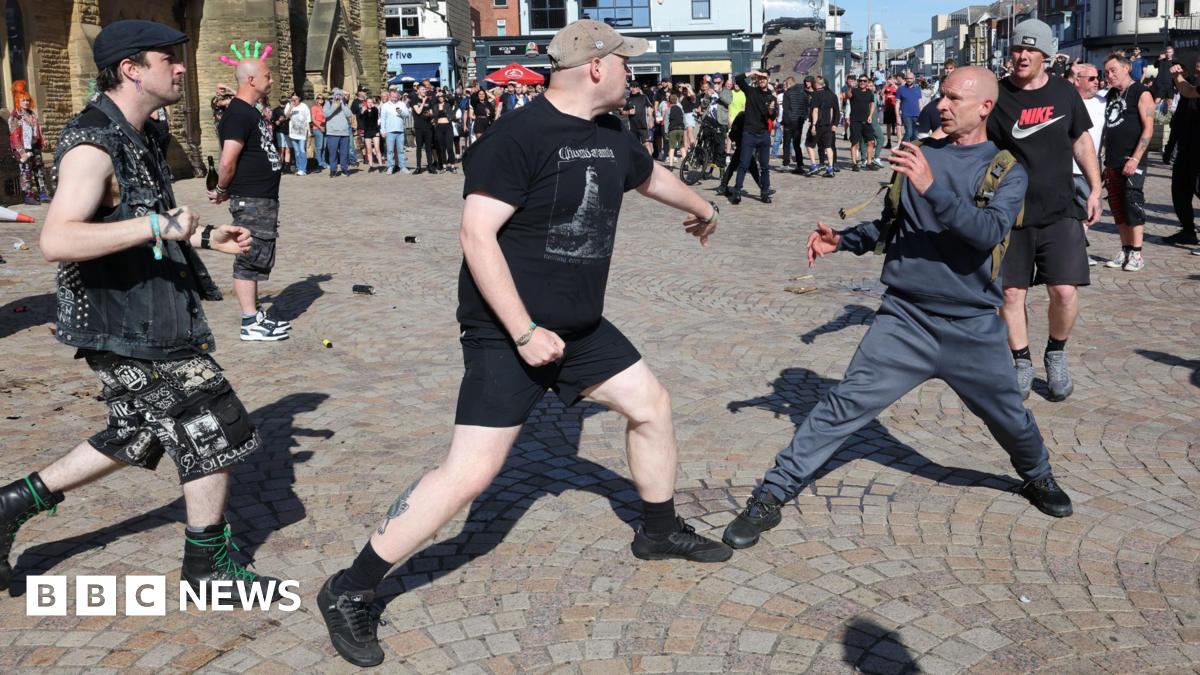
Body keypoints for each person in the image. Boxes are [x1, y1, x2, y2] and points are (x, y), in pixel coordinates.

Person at [316, 20, 730, 667]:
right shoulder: (515, 138)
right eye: (626, 63)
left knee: (651, 405)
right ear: (597, 67)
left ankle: (657, 531)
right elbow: (476, 235)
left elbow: (650, 177)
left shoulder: (610, 137)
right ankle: (351, 586)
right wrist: (523, 331)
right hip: (507, 332)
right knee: (471, 473)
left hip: (580, 329)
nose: (633, 74)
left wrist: (703, 208)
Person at [722, 66, 1074, 552]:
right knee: (843, 405)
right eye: (941, 95)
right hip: (905, 319)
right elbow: (892, 228)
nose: (942, 105)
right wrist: (843, 241)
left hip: (972, 326)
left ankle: (1038, 475)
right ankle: (771, 495)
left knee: (1009, 417)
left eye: (954, 98)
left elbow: (987, 232)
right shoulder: (918, 156)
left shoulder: (1006, 170)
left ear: (985, 108)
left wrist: (932, 187)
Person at [3, 19, 279, 601]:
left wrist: (203, 238)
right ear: (131, 69)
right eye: (167, 59)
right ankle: (207, 569)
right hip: (122, 320)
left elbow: (150, 217)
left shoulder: (146, 132)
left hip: (153, 309)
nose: (181, 68)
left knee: (136, 434)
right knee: (215, 426)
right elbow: (57, 239)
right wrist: (157, 225)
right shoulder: (92, 144)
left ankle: (11, 504)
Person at [987, 19, 1100, 404]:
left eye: (1030, 50)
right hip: (1010, 213)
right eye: (1017, 49)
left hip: (1060, 208)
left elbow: (1081, 141)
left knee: (1065, 291)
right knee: (1010, 293)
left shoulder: (1064, 93)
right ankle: (1020, 361)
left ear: (1045, 55)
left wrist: (1096, 188)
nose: (1021, 56)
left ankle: (1056, 353)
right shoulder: (997, 95)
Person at [210, 57, 291, 342]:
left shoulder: (249, 111)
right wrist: (221, 189)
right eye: (268, 76)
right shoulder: (237, 114)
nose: (272, 80)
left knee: (259, 253)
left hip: (262, 198)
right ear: (252, 80)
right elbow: (227, 160)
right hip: (251, 199)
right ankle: (249, 321)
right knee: (248, 255)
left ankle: (255, 315)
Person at [1100, 53, 1155, 272]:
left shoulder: (1142, 93)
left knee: (1133, 204)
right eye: (1106, 72)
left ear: (1127, 68)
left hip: (1132, 160)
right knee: (1117, 207)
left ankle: (1137, 253)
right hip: (1112, 160)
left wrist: (1136, 158)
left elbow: (1148, 129)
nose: (1109, 75)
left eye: (1113, 70)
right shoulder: (1112, 94)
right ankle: (1125, 249)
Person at [1070, 63, 1106, 266]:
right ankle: (1075, 252)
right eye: (1091, 78)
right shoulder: (1065, 100)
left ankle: (1078, 251)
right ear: (1078, 80)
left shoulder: (1103, 102)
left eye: (1097, 77)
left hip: (1086, 169)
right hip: (1064, 168)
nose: (1096, 81)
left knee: (1086, 213)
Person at [1165, 61, 1200, 249]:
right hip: (1188, 148)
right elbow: (1188, 91)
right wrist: (1176, 76)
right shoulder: (1195, 87)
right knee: (1179, 189)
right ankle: (1188, 231)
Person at [728, 69, 775, 205]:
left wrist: (771, 110)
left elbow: (772, 117)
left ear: (768, 79)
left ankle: (765, 193)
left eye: (764, 78)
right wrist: (752, 72)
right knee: (743, 164)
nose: (762, 80)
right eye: (760, 78)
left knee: (765, 166)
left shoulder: (771, 97)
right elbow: (738, 78)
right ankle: (737, 192)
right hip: (749, 134)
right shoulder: (751, 91)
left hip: (764, 135)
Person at [8, 92, 50, 205]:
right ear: (18, 101)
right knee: (26, 171)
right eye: (23, 100)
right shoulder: (15, 116)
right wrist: (21, 152)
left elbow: (38, 129)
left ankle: (42, 193)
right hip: (24, 148)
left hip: (35, 146)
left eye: (27, 100)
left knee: (39, 170)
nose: (26, 102)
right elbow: (14, 136)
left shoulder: (31, 114)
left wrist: (42, 140)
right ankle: (28, 196)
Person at [808, 76, 840, 178]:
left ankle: (814, 166)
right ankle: (830, 168)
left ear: (816, 84)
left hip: (818, 124)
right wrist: (834, 123)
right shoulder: (832, 95)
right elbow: (835, 111)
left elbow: (815, 110)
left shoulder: (815, 95)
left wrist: (813, 125)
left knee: (809, 145)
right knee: (828, 146)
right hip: (828, 125)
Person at [847, 75, 877, 171]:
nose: (862, 82)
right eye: (860, 81)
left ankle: (869, 162)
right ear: (858, 81)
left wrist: (870, 115)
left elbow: (872, 104)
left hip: (866, 120)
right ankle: (854, 163)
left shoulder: (869, 92)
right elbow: (848, 96)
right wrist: (850, 87)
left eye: (864, 81)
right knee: (855, 142)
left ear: (867, 82)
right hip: (855, 120)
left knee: (871, 141)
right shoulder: (854, 91)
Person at [380, 89, 411, 175]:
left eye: (396, 97)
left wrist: (401, 112)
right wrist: (383, 130)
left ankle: (402, 167)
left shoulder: (401, 104)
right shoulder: (385, 106)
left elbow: (407, 115)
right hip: (389, 131)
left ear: (398, 96)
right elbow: (383, 119)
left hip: (400, 130)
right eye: (393, 97)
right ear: (389, 96)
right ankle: (390, 167)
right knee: (390, 151)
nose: (394, 98)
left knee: (400, 150)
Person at [323, 89, 353, 176]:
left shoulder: (345, 104)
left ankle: (344, 169)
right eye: (337, 95)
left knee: (344, 153)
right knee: (333, 153)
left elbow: (349, 114)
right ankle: (333, 170)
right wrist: (334, 106)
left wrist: (342, 104)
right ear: (334, 96)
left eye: (340, 95)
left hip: (344, 133)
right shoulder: (328, 103)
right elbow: (326, 114)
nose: (338, 96)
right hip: (332, 133)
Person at [409, 83, 437, 174]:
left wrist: (430, 114)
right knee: (419, 148)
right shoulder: (414, 99)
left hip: (428, 126)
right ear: (418, 91)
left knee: (429, 147)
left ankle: (430, 166)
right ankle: (418, 167)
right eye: (422, 89)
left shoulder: (429, 100)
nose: (424, 91)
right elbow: (418, 111)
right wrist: (423, 101)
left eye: (425, 89)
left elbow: (431, 112)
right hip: (419, 127)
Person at [781, 76, 807, 168]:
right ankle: (800, 164)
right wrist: (803, 118)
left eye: (786, 84)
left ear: (789, 83)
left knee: (786, 143)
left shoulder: (787, 93)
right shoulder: (803, 93)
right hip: (799, 121)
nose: (785, 86)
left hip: (789, 121)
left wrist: (783, 122)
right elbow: (806, 107)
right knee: (797, 143)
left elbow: (785, 109)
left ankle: (786, 163)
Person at [284, 93, 310, 176]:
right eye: (292, 99)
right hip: (293, 133)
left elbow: (308, 120)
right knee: (297, 151)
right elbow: (286, 116)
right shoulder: (289, 105)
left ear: (299, 99)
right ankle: (299, 169)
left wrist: (309, 131)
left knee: (302, 150)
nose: (294, 101)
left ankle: (303, 169)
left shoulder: (304, 106)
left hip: (302, 132)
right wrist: (291, 107)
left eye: (295, 99)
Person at [432, 89, 458, 173]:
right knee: (442, 148)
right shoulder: (435, 106)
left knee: (449, 147)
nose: (440, 98)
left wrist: (444, 93)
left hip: (448, 127)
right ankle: (444, 166)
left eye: (441, 97)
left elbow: (452, 98)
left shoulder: (448, 104)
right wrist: (436, 95)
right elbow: (432, 102)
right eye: (439, 97)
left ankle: (453, 166)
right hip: (439, 127)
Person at [624, 81, 653, 155]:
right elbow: (622, 112)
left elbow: (649, 108)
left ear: (638, 88)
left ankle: (650, 160)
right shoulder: (628, 99)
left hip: (643, 125)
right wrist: (628, 112)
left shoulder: (644, 97)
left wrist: (650, 120)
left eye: (634, 87)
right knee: (635, 145)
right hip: (632, 127)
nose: (632, 89)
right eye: (631, 87)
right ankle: (639, 160)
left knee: (646, 143)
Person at [895, 72, 923, 141]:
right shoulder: (900, 89)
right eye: (907, 78)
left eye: (911, 78)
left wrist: (922, 114)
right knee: (909, 132)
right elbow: (897, 104)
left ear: (914, 79)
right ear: (905, 79)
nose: (909, 80)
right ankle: (902, 146)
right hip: (906, 115)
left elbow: (920, 102)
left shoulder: (917, 89)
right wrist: (898, 117)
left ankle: (911, 148)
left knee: (915, 135)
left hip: (917, 115)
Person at [359, 95, 383, 172]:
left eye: (371, 102)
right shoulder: (364, 110)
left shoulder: (375, 109)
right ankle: (371, 165)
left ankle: (380, 165)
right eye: (368, 102)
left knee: (377, 148)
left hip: (375, 130)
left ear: (373, 103)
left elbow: (376, 116)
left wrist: (373, 107)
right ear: (366, 103)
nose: (369, 103)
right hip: (367, 131)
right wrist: (362, 111)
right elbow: (360, 118)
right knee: (369, 150)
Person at [310, 93, 329, 171]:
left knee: (324, 147)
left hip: (325, 128)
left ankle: (323, 162)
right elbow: (313, 119)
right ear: (316, 99)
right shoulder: (314, 107)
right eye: (319, 98)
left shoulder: (324, 107)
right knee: (319, 147)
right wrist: (320, 127)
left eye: (322, 98)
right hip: (317, 128)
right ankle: (319, 163)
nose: (321, 99)